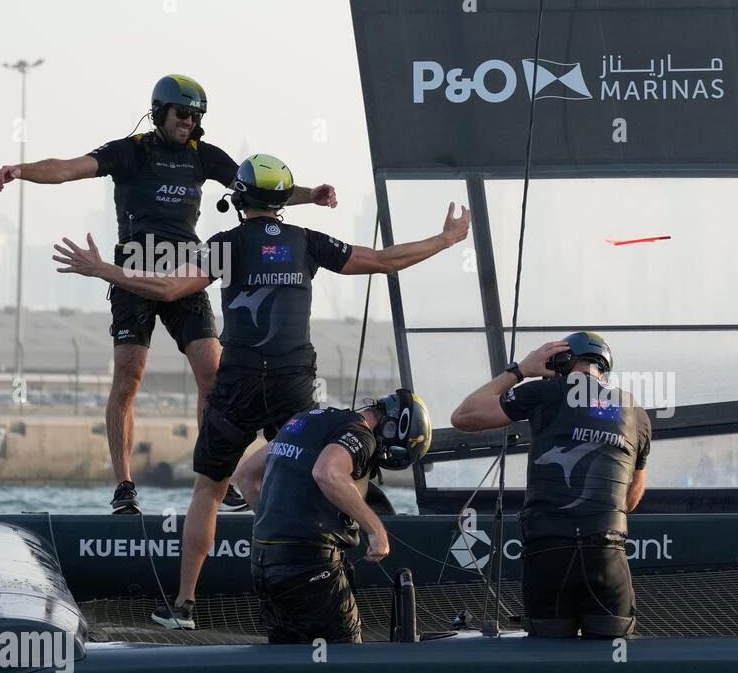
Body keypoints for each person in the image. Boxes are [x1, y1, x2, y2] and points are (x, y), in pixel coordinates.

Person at [53, 152, 470, 629]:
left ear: (238, 199)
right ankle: (323, 576)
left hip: (239, 382)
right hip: (294, 383)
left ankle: (184, 607)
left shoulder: (225, 245)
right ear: (281, 202)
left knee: (210, 490)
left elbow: (167, 290)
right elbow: (383, 261)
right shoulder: (307, 241)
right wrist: (446, 239)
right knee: (313, 472)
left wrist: (103, 269)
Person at [0, 74, 337, 514]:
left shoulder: (203, 155)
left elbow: (258, 190)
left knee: (212, 373)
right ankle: (124, 487)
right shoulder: (130, 151)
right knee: (129, 376)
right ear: (159, 112)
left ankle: (217, 477)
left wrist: (312, 195)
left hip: (185, 274)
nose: (188, 122)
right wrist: (21, 171)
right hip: (134, 273)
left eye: (195, 116)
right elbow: (67, 169)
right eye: (182, 114)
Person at [450, 332, 652, 638]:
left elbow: (463, 416)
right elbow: (632, 497)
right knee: (612, 649)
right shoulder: (635, 413)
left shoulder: (547, 391)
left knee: (549, 652)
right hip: (606, 549)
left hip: (548, 548)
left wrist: (520, 370)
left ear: (561, 362)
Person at [231, 389, 432, 644]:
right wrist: (375, 530)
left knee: (287, 657)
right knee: (344, 657)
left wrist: (278, 522)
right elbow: (327, 473)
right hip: (311, 566)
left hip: (263, 563)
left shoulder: (303, 420)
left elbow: (245, 476)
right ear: (395, 428)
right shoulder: (360, 434)